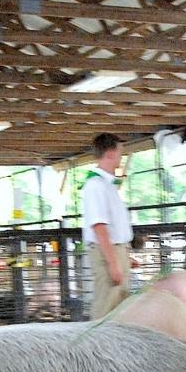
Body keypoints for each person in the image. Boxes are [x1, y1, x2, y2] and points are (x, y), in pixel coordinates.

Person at [81, 132, 134, 319]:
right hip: (108, 252)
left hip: (115, 250)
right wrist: (113, 263)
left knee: (119, 305)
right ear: (110, 152)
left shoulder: (105, 184)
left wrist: (124, 256)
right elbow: (99, 226)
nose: (121, 156)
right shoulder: (96, 185)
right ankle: (93, 347)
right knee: (106, 306)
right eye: (120, 151)